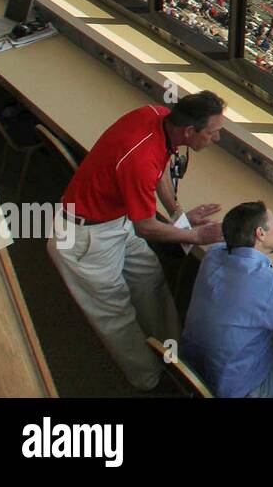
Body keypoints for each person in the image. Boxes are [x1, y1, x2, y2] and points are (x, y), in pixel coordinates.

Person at [48, 91, 227, 391]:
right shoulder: (139, 160)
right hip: (85, 238)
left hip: (114, 221)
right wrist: (195, 235)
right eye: (213, 132)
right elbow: (145, 227)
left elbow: (159, 169)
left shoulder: (157, 117)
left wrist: (178, 213)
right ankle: (149, 380)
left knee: (150, 279)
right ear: (189, 131)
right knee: (116, 316)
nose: (217, 138)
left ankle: (175, 356)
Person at [182, 202, 273, 397]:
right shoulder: (271, 285)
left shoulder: (214, 254)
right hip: (238, 390)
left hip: (196, 373)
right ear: (260, 234)